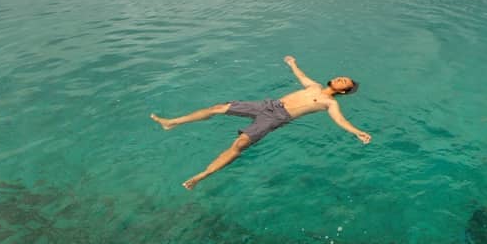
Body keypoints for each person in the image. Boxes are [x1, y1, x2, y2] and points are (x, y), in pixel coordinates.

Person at [150, 56, 371, 190]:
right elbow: (301, 76)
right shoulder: (313, 87)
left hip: (276, 118)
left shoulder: (329, 103)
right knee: (219, 107)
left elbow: (340, 120)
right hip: (268, 105)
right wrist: (293, 63)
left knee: (238, 145)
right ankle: (172, 122)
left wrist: (357, 132)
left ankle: (202, 176)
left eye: (345, 82)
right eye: (342, 76)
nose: (341, 78)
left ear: (343, 90)